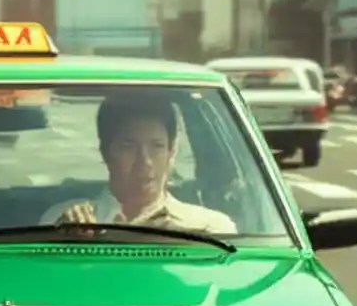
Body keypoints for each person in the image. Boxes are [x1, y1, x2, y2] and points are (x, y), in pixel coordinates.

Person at [41, 95, 238, 234]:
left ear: (172, 151)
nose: (145, 162)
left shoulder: (210, 229)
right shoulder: (65, 221)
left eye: (157, 147)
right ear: (106, 152)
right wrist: (67, 246)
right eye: (128, 147)